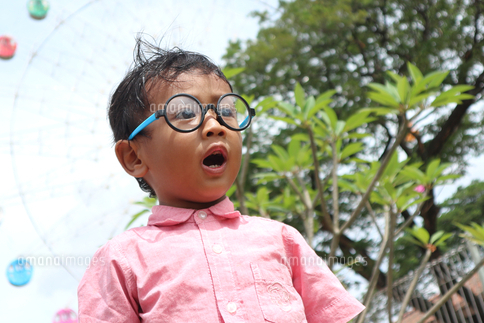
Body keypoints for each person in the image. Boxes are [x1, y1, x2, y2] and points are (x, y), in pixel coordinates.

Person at [78, 39, 365, 322]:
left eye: (227, 110)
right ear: (134, 157)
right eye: (186, 113)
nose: (215, 126)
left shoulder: (281, 238)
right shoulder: (121, 260)